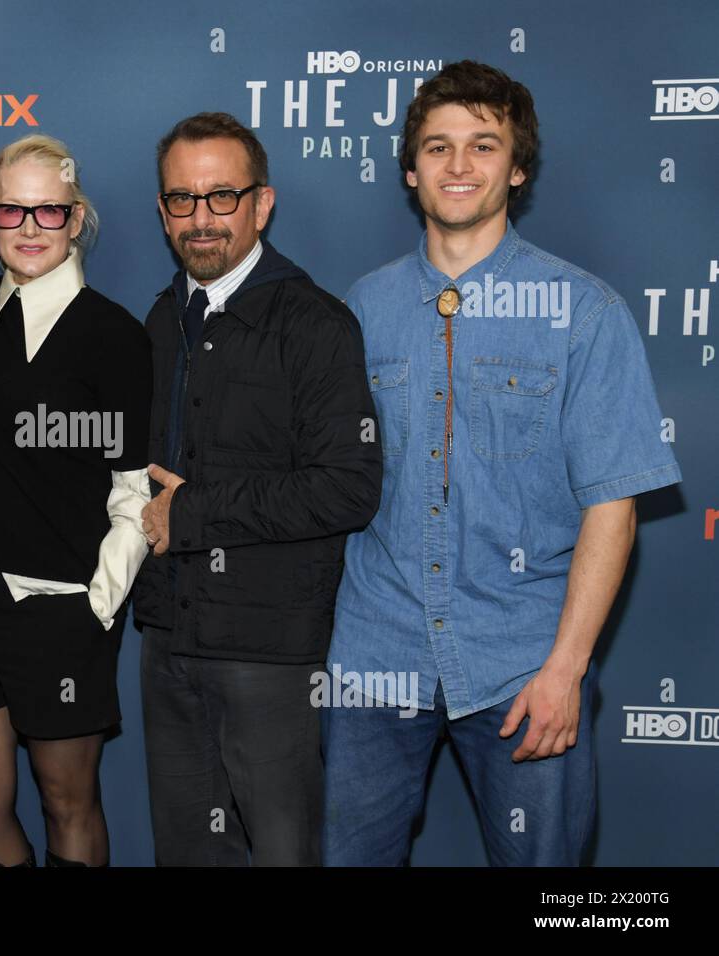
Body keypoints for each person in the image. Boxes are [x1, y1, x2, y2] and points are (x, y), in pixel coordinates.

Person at [323, 61, 682, 866]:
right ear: (410, 169)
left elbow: (612, 505)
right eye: (438, 147)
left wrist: (566, 670)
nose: (459, 166)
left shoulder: (584, 312)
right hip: (377, 657)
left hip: (524, 663)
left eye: (483, 146)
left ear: (517, 169)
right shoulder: (358, 311)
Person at [133, 112, 382, 866]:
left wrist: (197, 510)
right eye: (183, 199)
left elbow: (349, 488)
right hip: (169, 641)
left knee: (282, 853)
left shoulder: (316, 323)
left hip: (270, 657)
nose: (202, 218)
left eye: (222, 197)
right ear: (162, 211)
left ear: (261, 204)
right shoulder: (158, 320)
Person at [0, 135, 152, 867]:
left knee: (65, 801)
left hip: (60, 608)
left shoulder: (113, 333)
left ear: (75, 218)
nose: (28, 226)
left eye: (47, 211)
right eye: (11, 210)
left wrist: (97, 602)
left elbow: (131, 488)